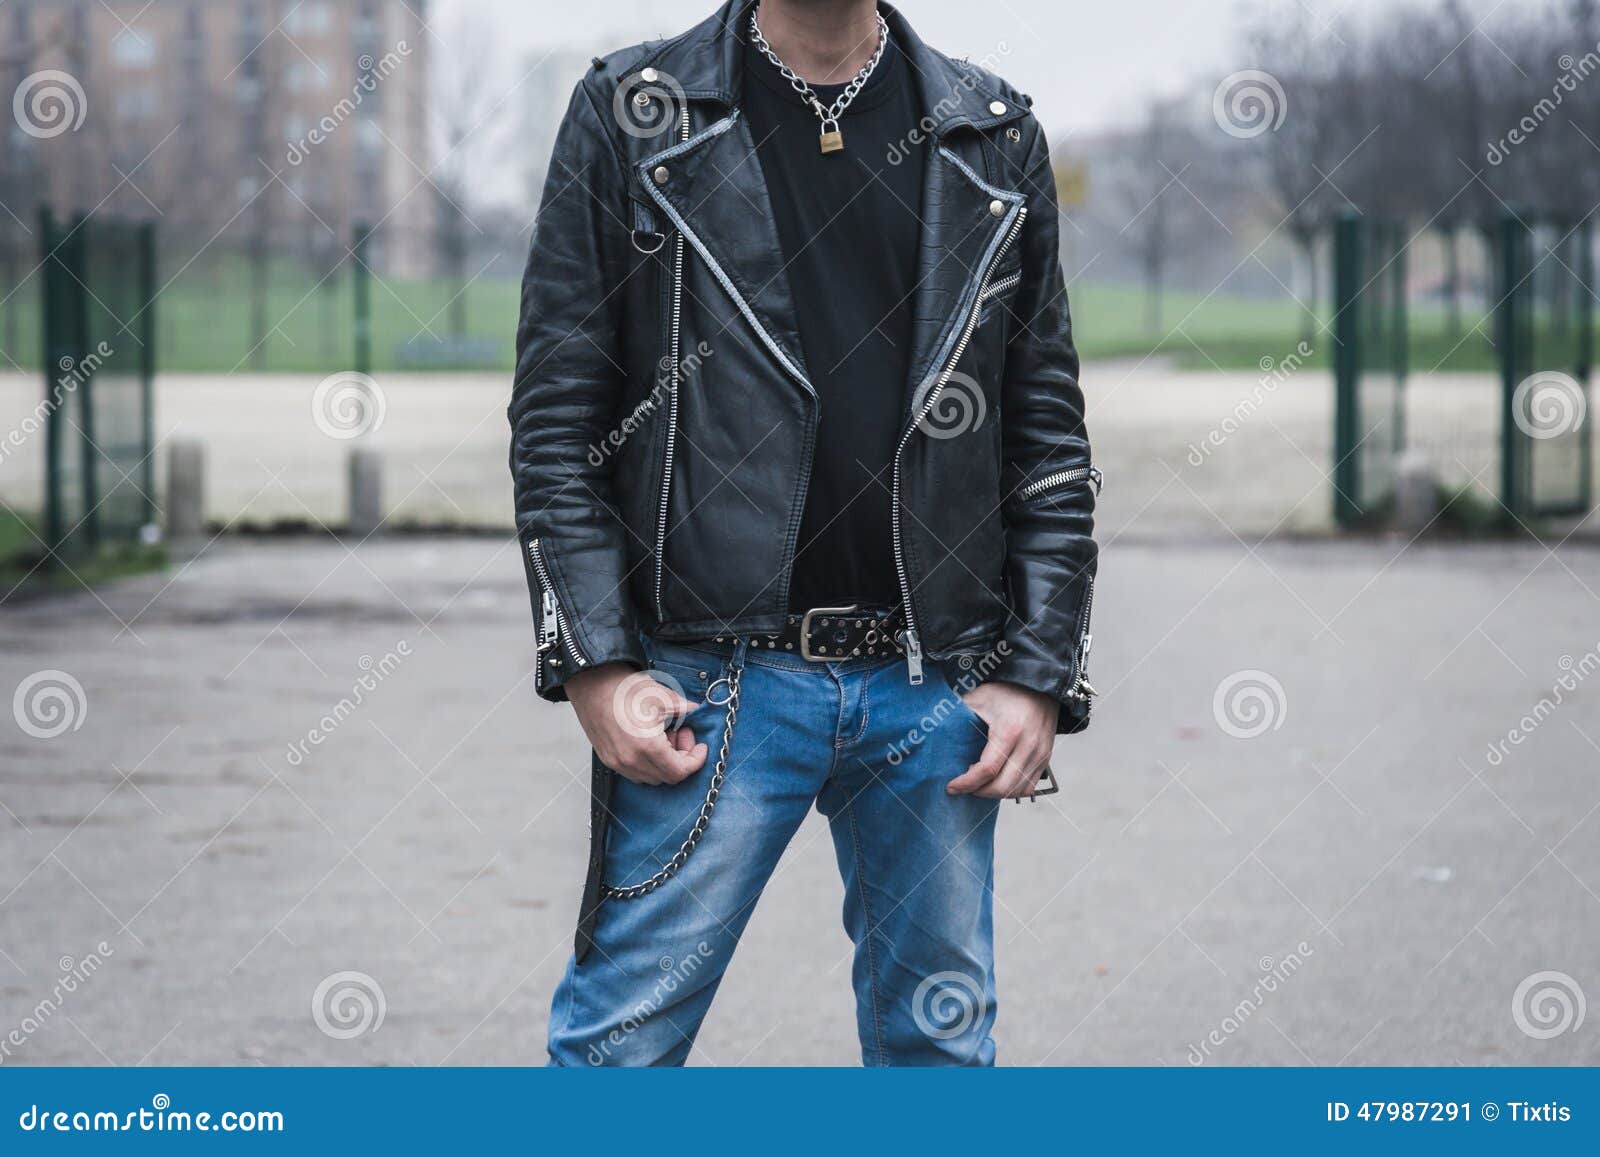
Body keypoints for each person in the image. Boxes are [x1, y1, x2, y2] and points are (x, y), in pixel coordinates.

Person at [510, 0, 1098, 1066]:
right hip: (708, 678)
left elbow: (1044, 429)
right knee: (617, 1056)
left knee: (940, 1058)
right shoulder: (633, 112)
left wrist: (1038, 669)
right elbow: (558, 425)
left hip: (938, 686)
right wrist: (595, 661)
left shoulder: (991, 130)